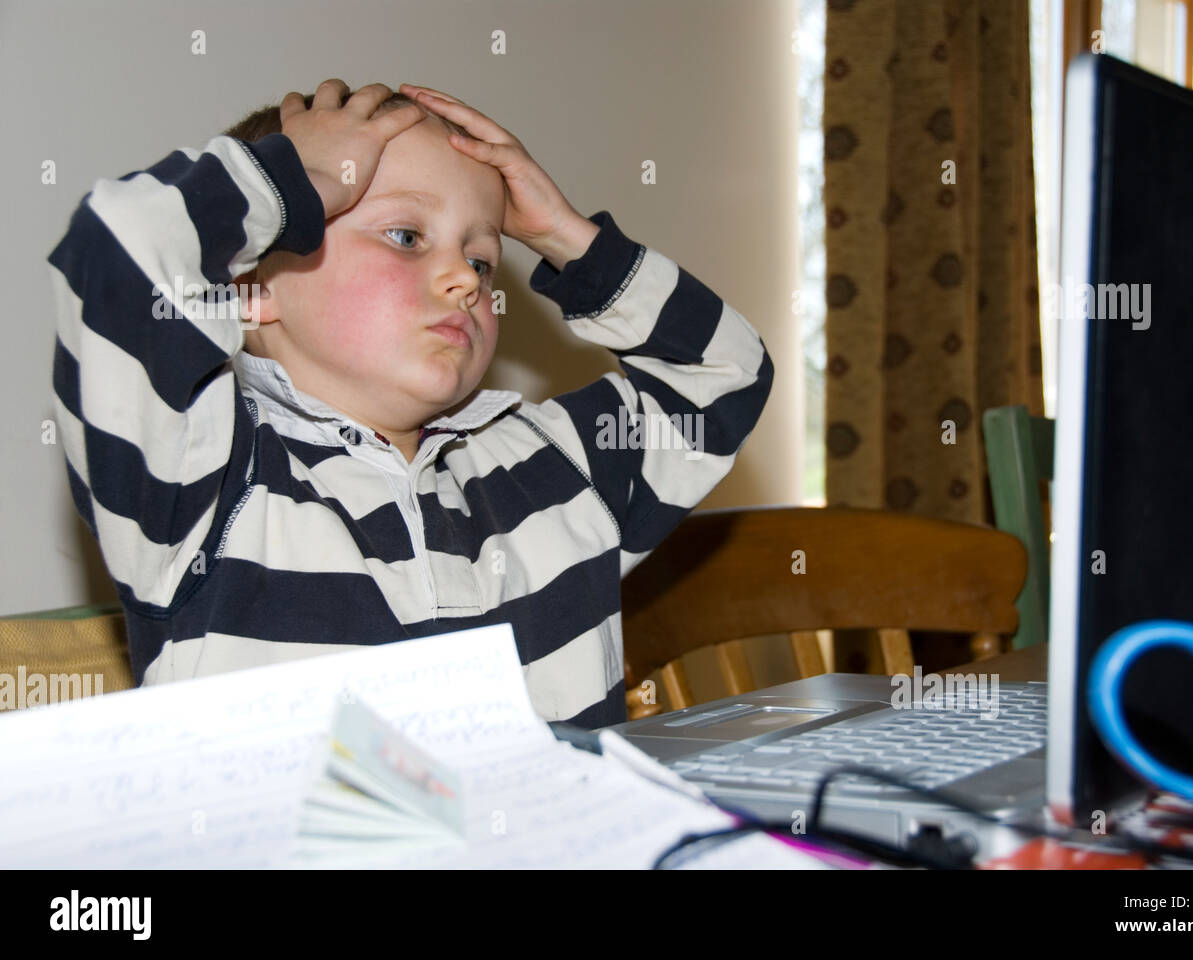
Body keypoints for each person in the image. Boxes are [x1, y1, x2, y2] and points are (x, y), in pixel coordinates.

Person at [47, 79, 773, 728]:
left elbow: (724, 374)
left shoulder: (555, 467)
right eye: (405, 236)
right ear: (249, 286)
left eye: (483, 258)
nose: (463, 276)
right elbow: (116, 257)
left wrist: (565, 237)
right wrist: (281, 178)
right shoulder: (199, 484)